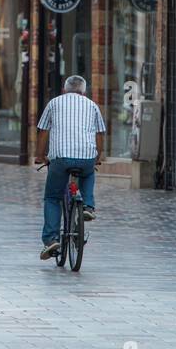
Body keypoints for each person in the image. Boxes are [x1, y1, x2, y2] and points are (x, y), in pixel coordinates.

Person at [35, 75, 106, 259]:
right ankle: (88, 207)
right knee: (88, 173)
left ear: (64, 90)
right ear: (84, 92)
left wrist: (40, 155)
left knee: (52, 197)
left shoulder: (54, 103)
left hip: (60, 159)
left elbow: (43, 131)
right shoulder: (92, 105)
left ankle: (51, 240)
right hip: (86, 158)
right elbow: (99, 134)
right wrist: (97, 156)